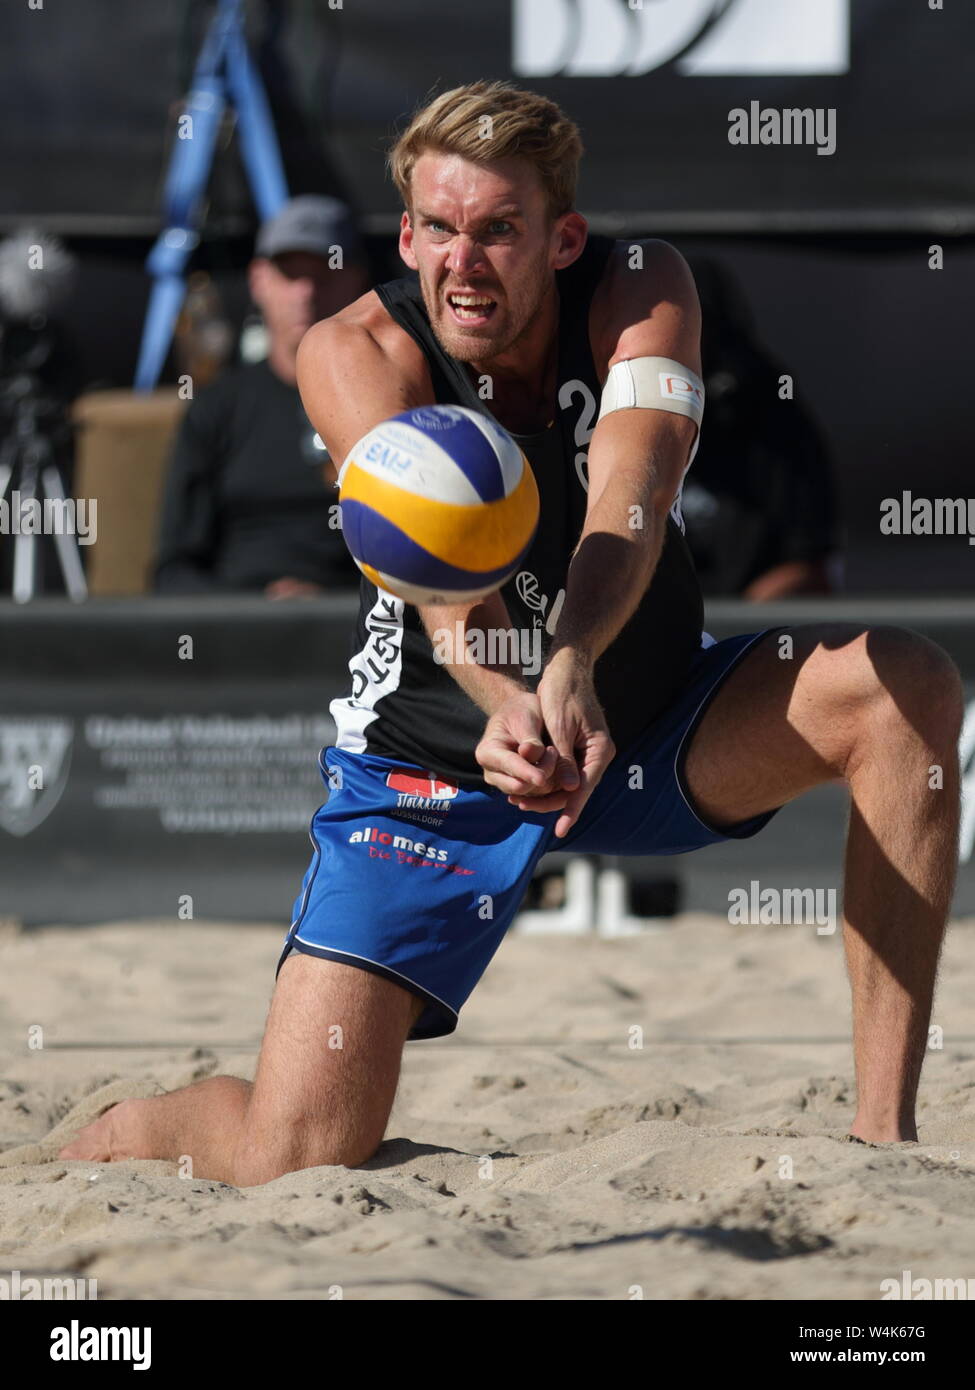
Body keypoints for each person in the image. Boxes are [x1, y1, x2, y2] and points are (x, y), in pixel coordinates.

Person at [63, 82, 962, 1183]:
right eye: (438, 229)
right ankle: (122, 1130)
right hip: (435, 767)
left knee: (905, 685)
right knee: (293, 1152)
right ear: (405, 234)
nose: (463, 260)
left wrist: (574, 659)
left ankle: (884, 1141)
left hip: (643, 726)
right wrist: (511, 701)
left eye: (497, 230)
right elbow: (438, 584)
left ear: (563, 236)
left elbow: (633, 494)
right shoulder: (348, 355)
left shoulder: (641, 287)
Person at [153, 195, 368, 597]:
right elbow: (173, 570)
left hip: (360, 635)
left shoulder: (391, 406)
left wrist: (333, 608)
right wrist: (259, 611)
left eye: (324, 273)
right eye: (290, 274)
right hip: (233, 635)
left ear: (355, 281)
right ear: (258, 281)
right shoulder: (218, 408)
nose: (305, 292)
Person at [680, 256, 840, 599]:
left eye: (687, 320)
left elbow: (809, 563)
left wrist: (735, 633)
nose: (670, 338)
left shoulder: (772, 419)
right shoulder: (599, 404)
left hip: (745, 636)